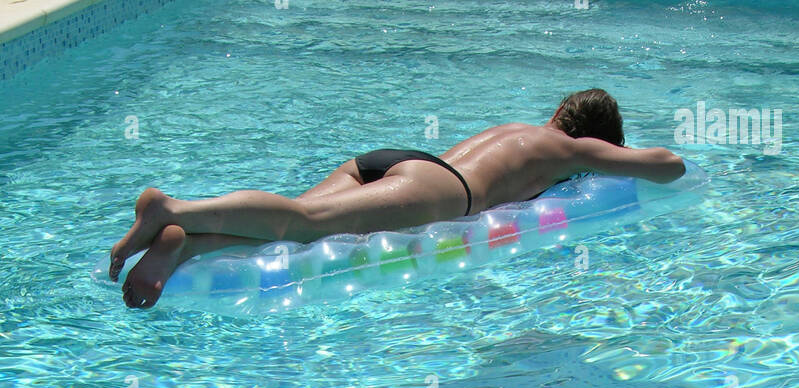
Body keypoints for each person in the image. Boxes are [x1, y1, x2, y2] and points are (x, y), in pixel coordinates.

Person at [110, 88, 685, 308]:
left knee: (287, 226)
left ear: (558, 110)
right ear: (587, 132)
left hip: (397, 161)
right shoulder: (570, 149)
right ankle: (173, 210)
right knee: (306, 222)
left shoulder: (518, 131)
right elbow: (669, 166)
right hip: (442, 191)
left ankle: (183, 244)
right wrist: (606, 154)